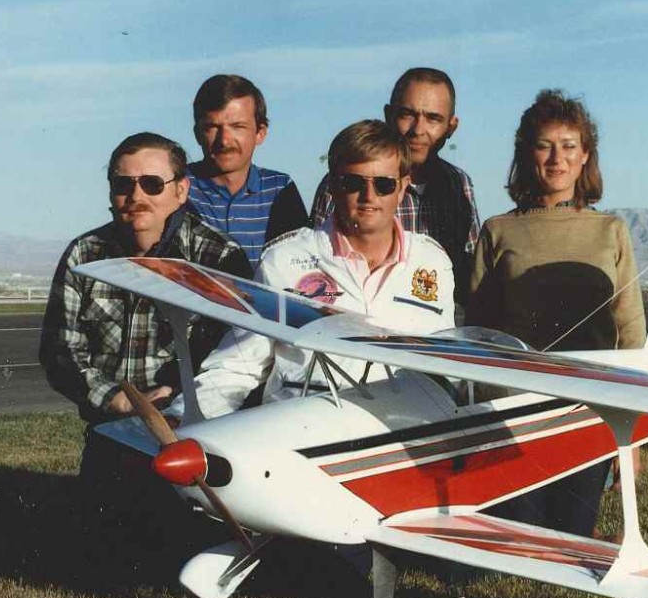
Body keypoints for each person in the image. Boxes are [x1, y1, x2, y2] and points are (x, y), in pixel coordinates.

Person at [172, 119, 454, 420]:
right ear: (332, 185)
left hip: (399, 440)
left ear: (402, 188)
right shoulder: (284, 259)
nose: (369, 197)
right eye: (353, 183)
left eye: (384, 185)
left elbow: (450, 368)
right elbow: (239, 364)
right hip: (302, 438)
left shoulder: (432, 262)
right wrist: (184, 419)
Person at [468, 89, 647, 538]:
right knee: (521, 540)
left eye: (569, 146)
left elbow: (630, 332)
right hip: (514, 411)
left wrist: (636, 433)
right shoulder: (498, 230)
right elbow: (476, 329)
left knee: (571, 535)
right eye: (545, 145)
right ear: (527, 153)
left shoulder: (611, 231)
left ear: (586, 156)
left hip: (589, 410)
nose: (557, 159)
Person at [40, 131, 252, 467]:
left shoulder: (219, 260)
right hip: (110, 432)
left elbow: (236, 358)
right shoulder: (85, 255)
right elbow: (60, 350)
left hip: (193, 436)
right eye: (124, 184)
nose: (136, 195)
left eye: (152, 184)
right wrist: (117, 400)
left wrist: (174, 399)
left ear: (181, 190)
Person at [310, 68, 478, 309]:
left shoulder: (458, 184)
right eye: (408, 114)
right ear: (389, 114)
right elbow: (315, 261)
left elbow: (467, 268)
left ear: (451, 127)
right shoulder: (345, 183)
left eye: (433, 118)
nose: (418, 129)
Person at [187, 74, 309, 268]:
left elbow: (300, 268)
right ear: (197, 134)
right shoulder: (177, 189)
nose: (224, 140)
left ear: (260, 133)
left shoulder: (279, 189)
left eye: (237, 127)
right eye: (212, 127)